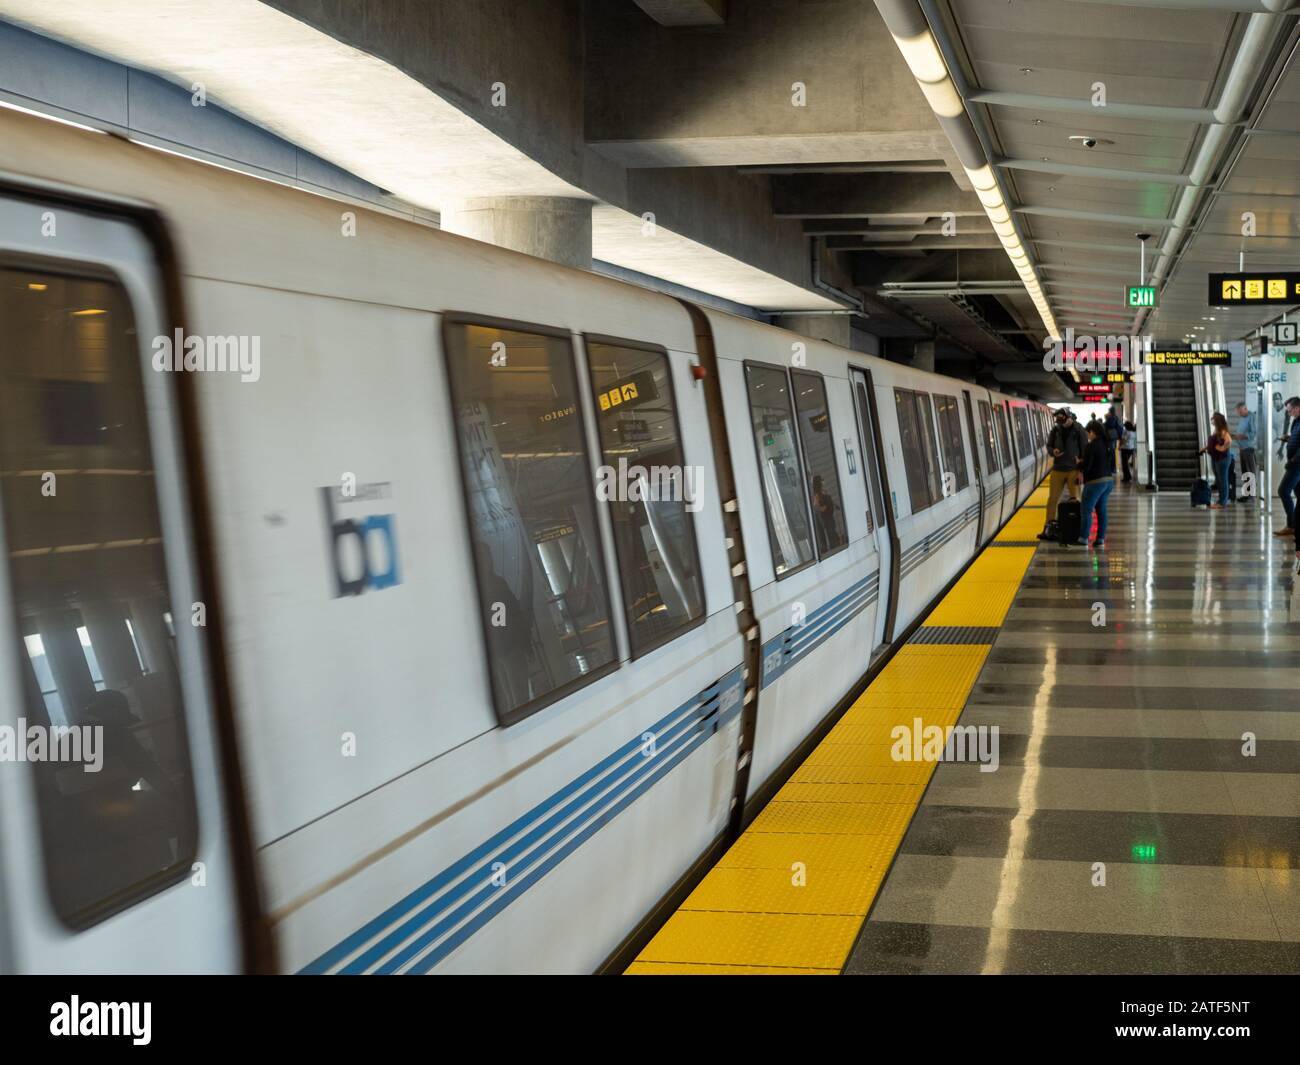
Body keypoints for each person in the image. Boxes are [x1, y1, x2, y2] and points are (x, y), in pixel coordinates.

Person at [1038, 407, 1086, 540]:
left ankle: (1076, 528)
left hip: (1073, 470)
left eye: (1063, 421)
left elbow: (1084, 451)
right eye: (1058, 421)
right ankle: (1049, 528)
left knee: (1075, 500)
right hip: (1058, 469)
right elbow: (1049, 446)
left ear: (1069, 418)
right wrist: (1053, 451)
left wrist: (1081, 471)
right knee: (1052, 499)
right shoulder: (1056, 430)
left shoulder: (1079, 430)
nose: (1061, 423)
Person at [1077, 420, 1113, 548]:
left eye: (1088, 433)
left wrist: (1079, 463)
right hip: (1108, 481)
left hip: (1095, 482)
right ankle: (1100, 539)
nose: (1087, 435)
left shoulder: (1091, 446)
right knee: (1101, 510)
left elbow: (1087, 466)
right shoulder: (1107, 443)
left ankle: (1083, 538)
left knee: (1086, 510)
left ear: (1092, 432)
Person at [1199, 413, 1234, 509]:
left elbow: (1229, 441)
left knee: (1222, 480)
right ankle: (1221, 499)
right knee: (1218, 480)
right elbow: (1213, 443)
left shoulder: (1223, 431)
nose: (1212, 421)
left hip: (1222, 459)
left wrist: (1222, 448)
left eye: (1213, 419)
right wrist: (1205, 448)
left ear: (1217, 421)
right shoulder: (1217, 430)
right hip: (1215, 458)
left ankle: (1222, 502)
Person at [1277, 397, 1300, 537]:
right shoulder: (1296, 421)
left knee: (1283, 491)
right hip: (1295, 462)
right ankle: (1294, 525)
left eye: (1290, 410)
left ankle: (1292, 526)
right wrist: (1289, 438)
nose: (1289, 413)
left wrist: (1292, 461)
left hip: (1297, 464)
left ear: (1297, 407)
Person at [1232, 402, 1258, 502]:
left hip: (1249, 448)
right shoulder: (1243, 418)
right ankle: (1246, 494)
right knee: (1245, 472)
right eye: (1238, 412)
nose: (1239, 414)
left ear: (1245, 408)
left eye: (1240, 412)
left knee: (1250, 471)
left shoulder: (1252, 417)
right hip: (1242, 448)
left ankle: (1251, 496)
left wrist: (1243, 436)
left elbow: (1254, 432)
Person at [1104, 405, 1123, 475]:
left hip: (1110, 437)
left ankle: (1112, 468)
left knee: (1111, 453)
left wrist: (1106, 419)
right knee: (1112, 453)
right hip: (1113, 437)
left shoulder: (1112, 418)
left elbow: (1108, 425)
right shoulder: (1116, 418)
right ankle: (1113, 468)